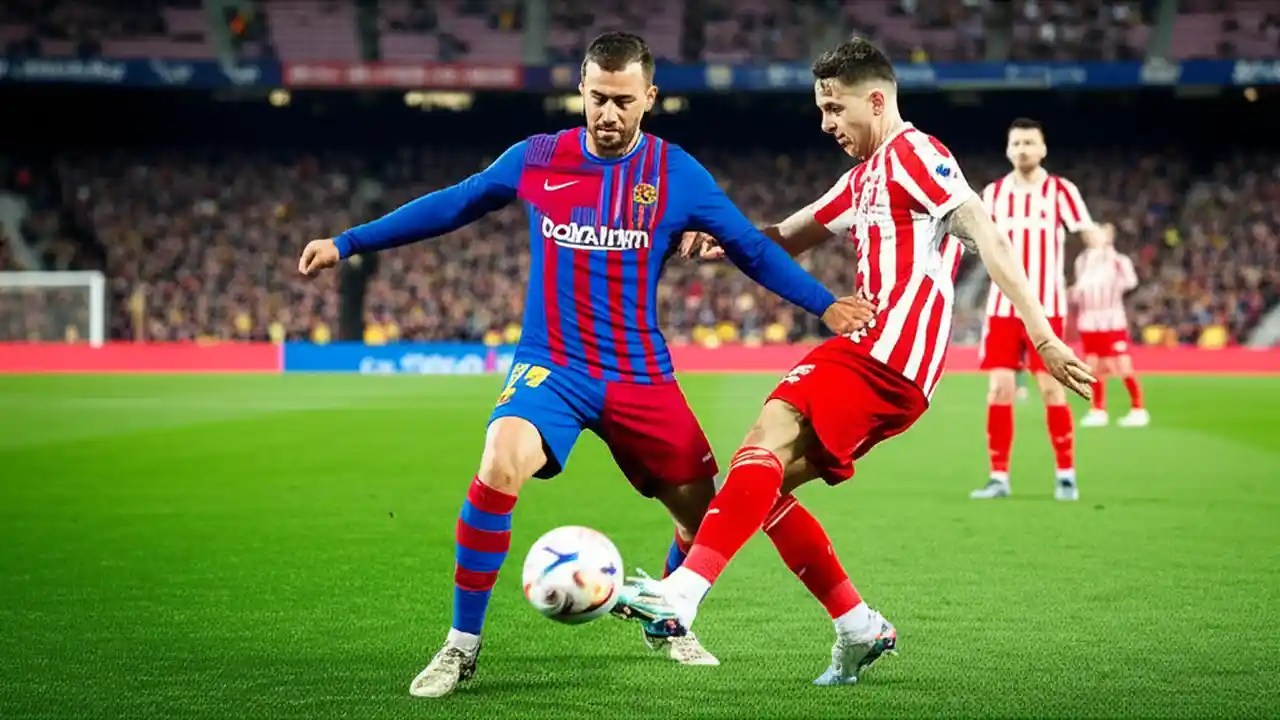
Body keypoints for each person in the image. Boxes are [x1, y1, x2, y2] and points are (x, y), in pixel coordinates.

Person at [297, 31, 871, 699]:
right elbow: (454, 203)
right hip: (553, 367)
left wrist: (823, 305)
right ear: (580, 89)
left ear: (649, 98)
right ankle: (461, 646)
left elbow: (750, 249)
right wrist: (348, 242)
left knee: (701, 518)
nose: (607, 113)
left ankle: (665, 620)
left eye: (623, 101)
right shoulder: (538, 158)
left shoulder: (675, 173)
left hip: (640, 376)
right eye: (597, 97)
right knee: (499, 459)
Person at [613, 37, 1094, 686]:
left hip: (883, 353)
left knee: (768, 433)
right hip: (886, 367)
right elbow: (792, 233)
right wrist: (716, 239)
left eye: (835, 108)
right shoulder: (864, 177)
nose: (826, 123)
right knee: (760, 482)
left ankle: (682, 595)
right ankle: (857, 625)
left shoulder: (916, 154)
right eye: (821, 110)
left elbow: (982, 226)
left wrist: (1041, 335)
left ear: (877, 99)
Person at [969, 118, 1102, 503]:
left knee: (1051, 390)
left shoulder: (1062, 191)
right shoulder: (992, 195)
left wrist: (1099, 250)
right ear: (1008, 150)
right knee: (999, 389)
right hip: (1001, 308)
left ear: (1042, 148)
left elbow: (1087, 233)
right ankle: (998, 477)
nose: (1023, 149)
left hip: (1047, 311)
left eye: (1029, 142)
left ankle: (1065, 474)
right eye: (1016, 143)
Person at [1073, 222, 1148, 427]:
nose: (1093, 237)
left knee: (1122, 364)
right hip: (1089, 321)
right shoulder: (1082, 260)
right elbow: (1081, 289)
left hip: (1111, 320)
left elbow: (1131, 282)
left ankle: (1138, 408)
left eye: (1098, 234)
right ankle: (1098, 410)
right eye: (1090, 234)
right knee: (1094, 366)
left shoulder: (1118, 260)